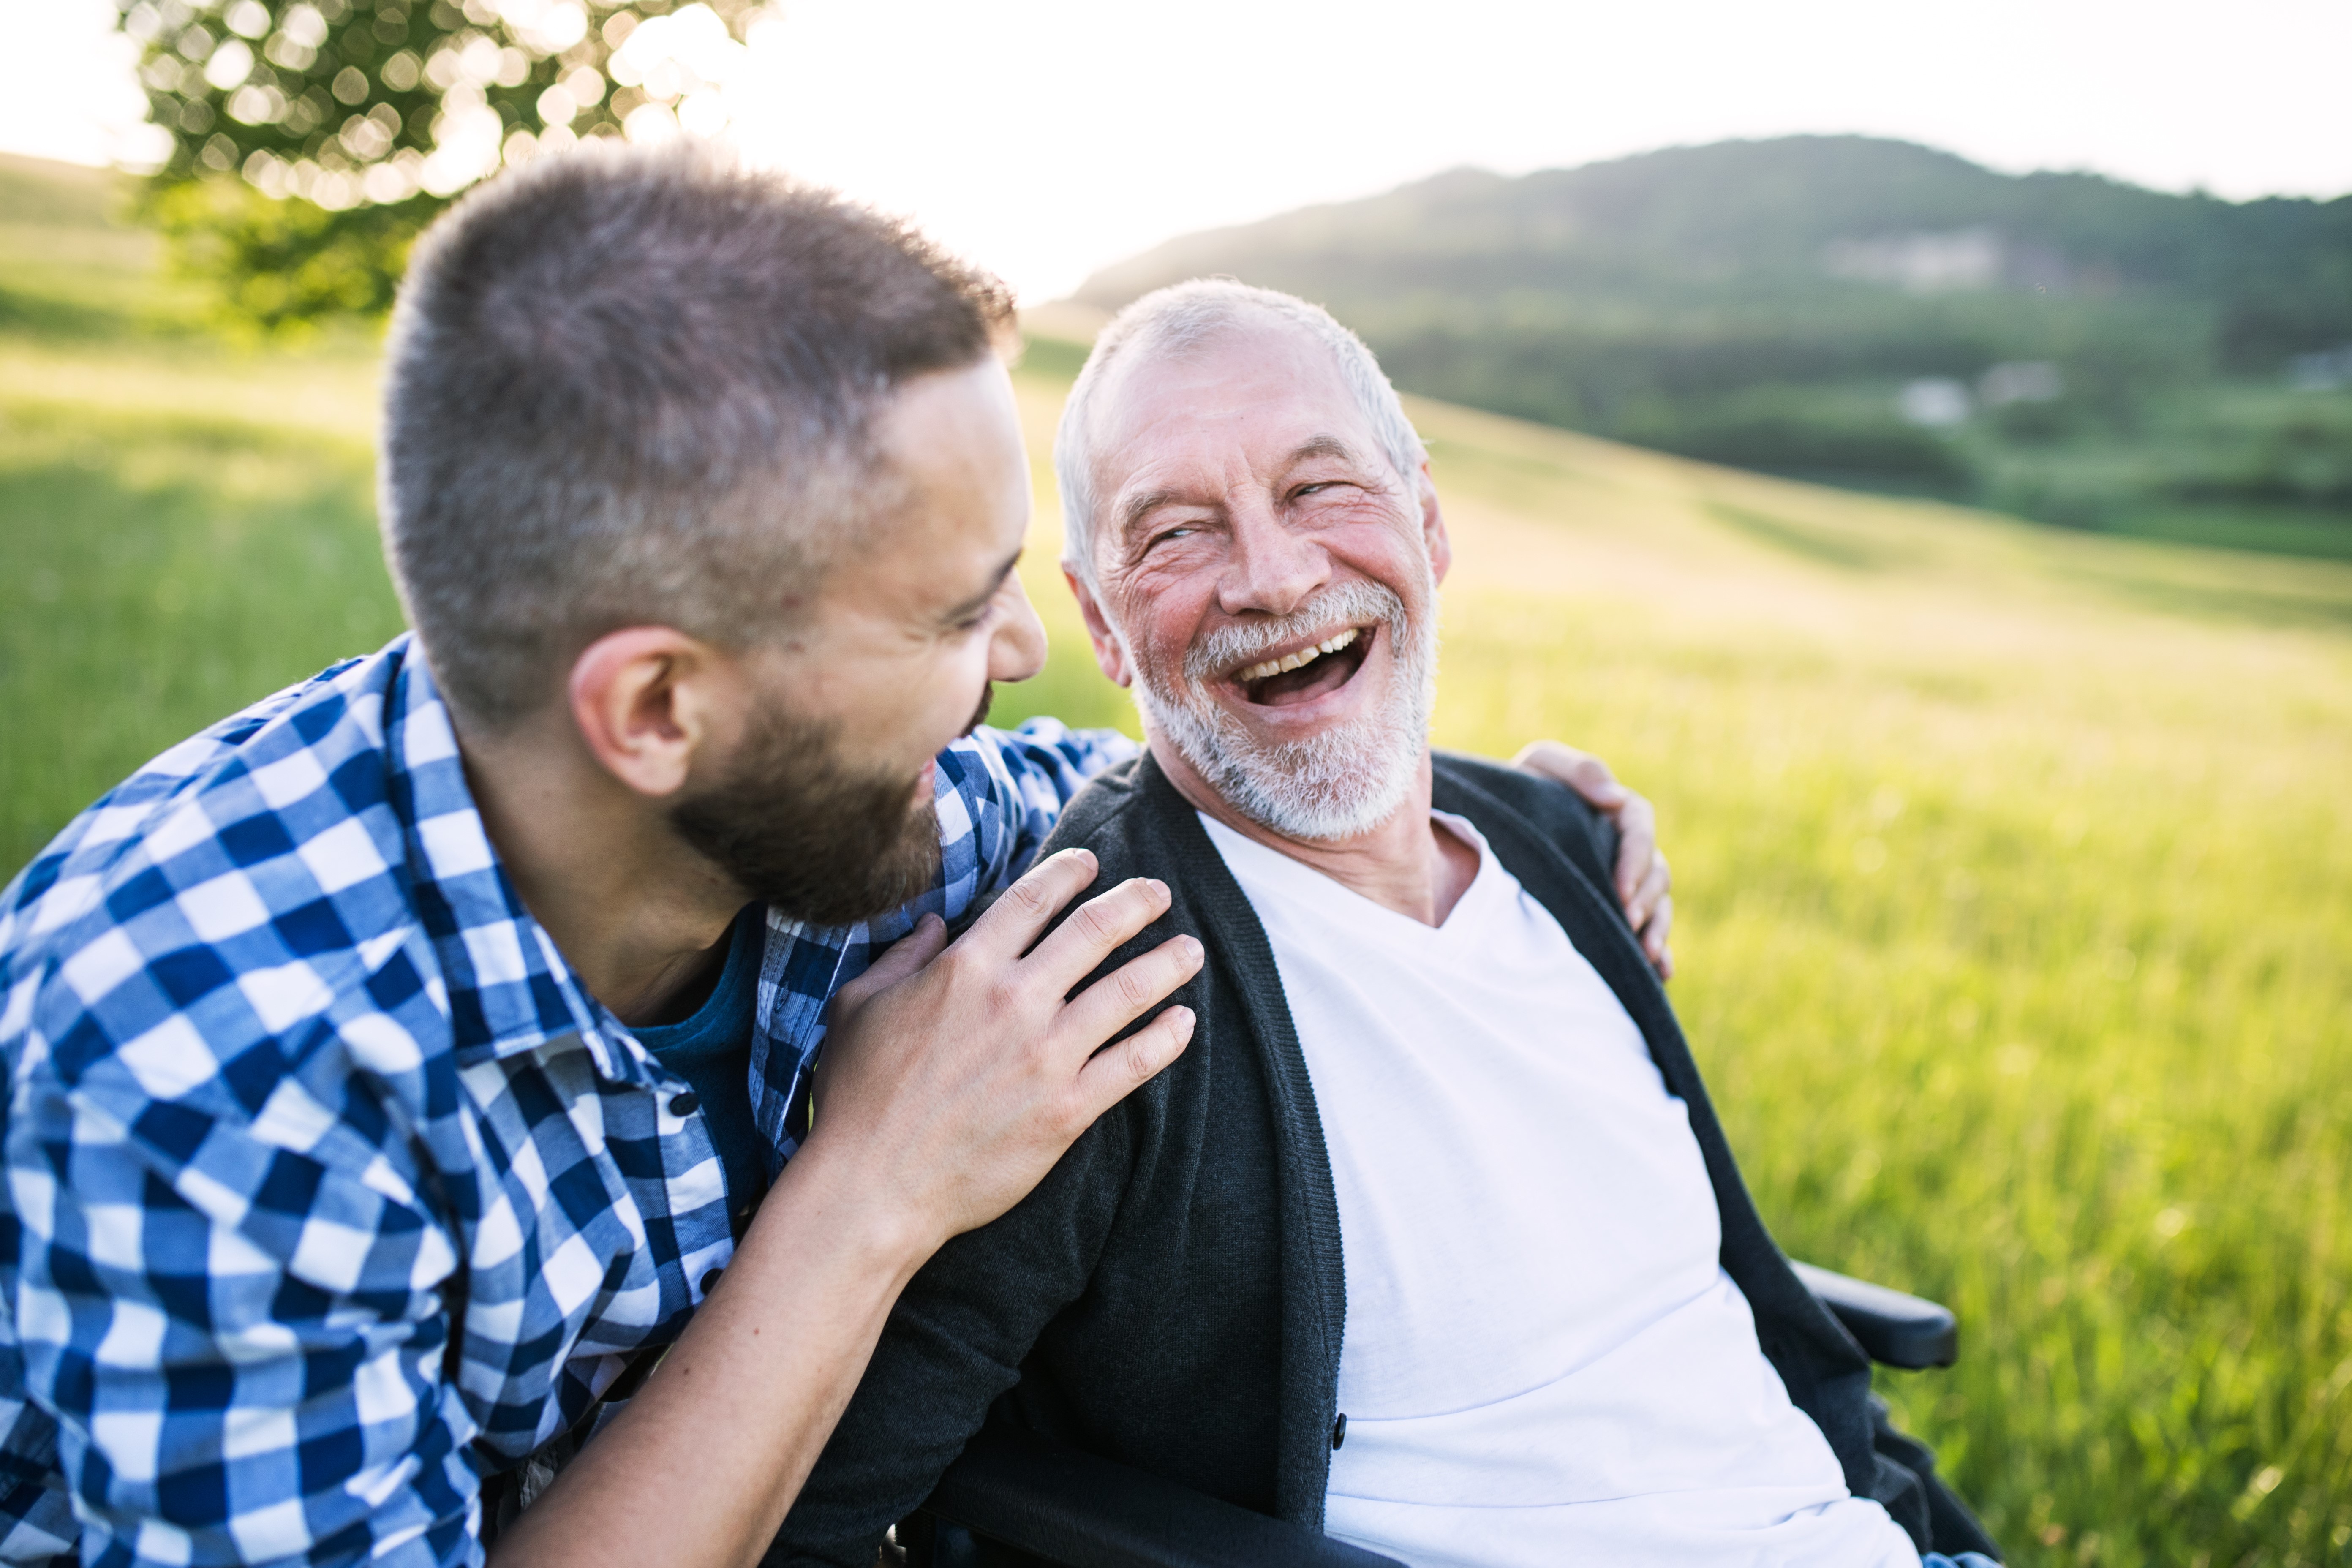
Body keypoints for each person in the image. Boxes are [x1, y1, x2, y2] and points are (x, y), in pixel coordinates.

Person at [0, 151, 1666, 1568]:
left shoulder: (867, 809)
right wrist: (873, 1190)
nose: (1021, 650)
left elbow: (1145, 776)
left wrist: (1493, 814)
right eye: (956, 611)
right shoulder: (205, 1051)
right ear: (658, 707)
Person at [763, 281, 2003, 1568]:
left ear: (1427, 522)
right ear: (1102, 625)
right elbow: (824, 1519)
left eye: (1321, 492)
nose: (1274, 574)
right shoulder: (1084, 994)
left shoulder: (1558, 843)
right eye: (1178, 532)